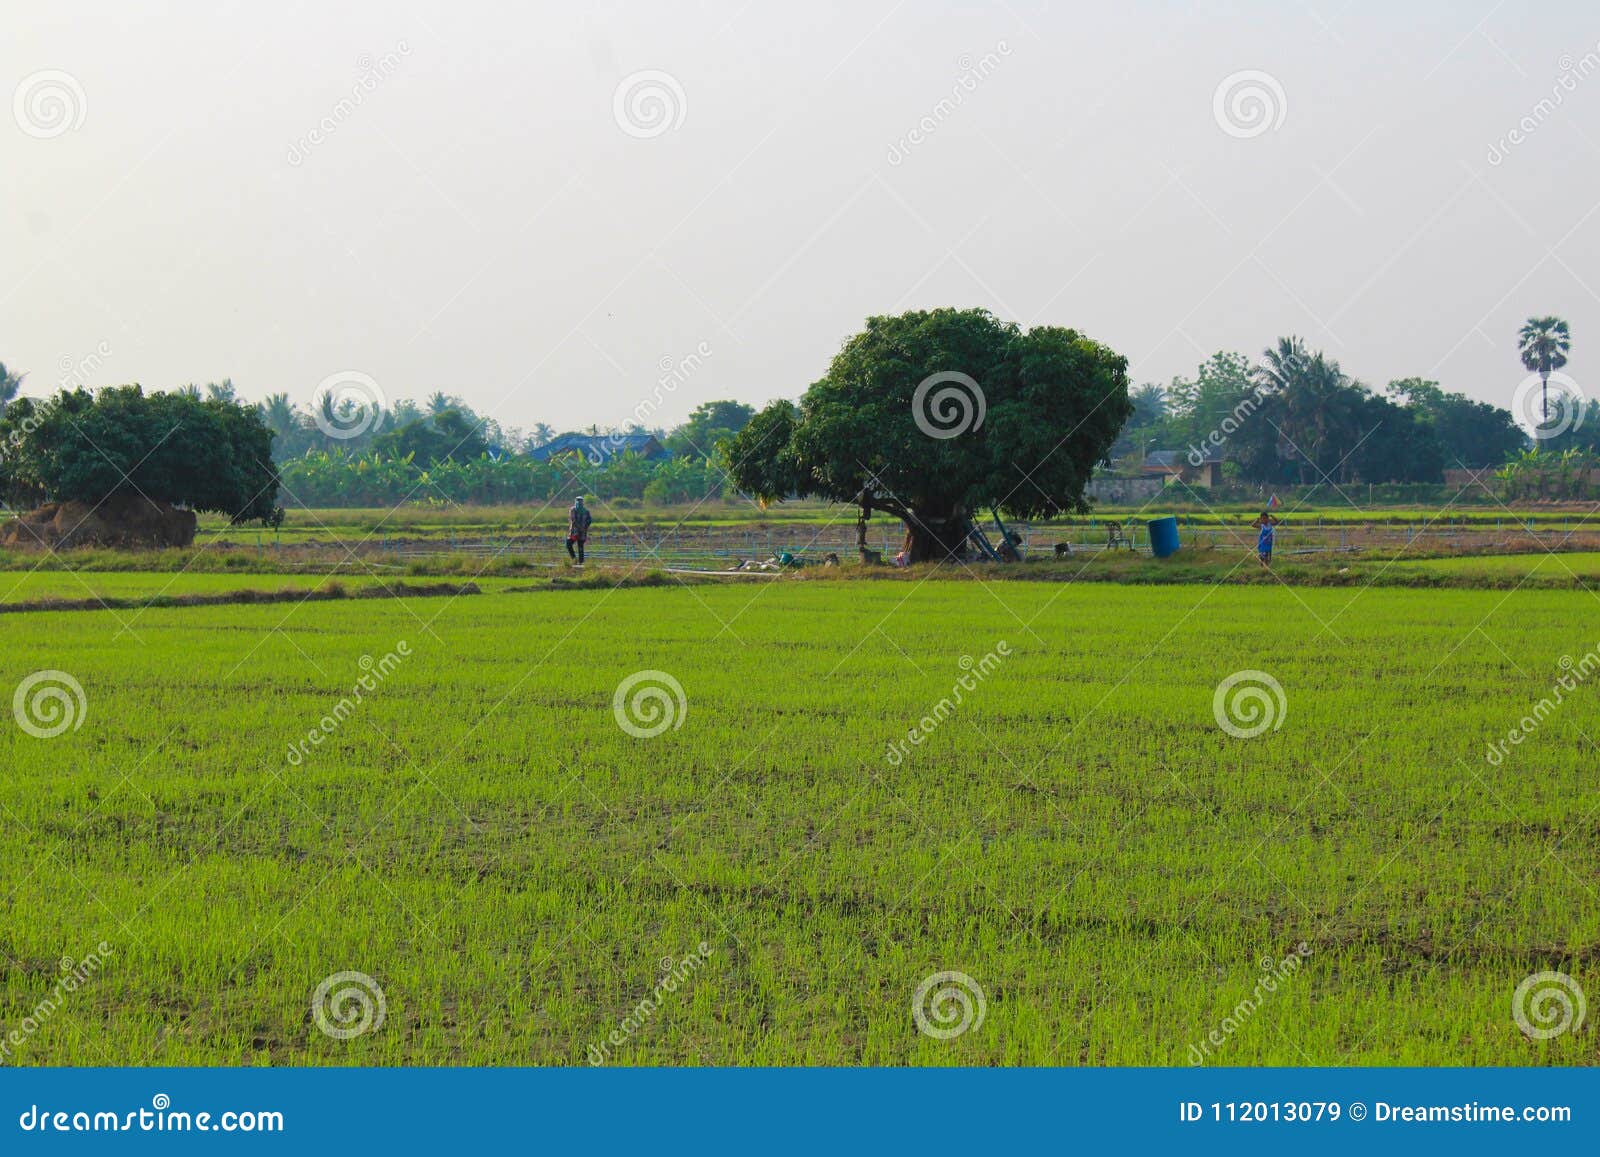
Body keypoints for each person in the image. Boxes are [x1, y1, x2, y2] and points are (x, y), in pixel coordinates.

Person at [566, 496, 593, 564]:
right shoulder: (586, 511)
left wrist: (580, 528)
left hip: (574, 532)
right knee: (579, 547)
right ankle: (580, 562)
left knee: (569, 544)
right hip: (582, 532)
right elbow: (589, 521)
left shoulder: (573, 510)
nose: (579, 502)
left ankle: (576, 560)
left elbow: (573, 520)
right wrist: (584, 528)